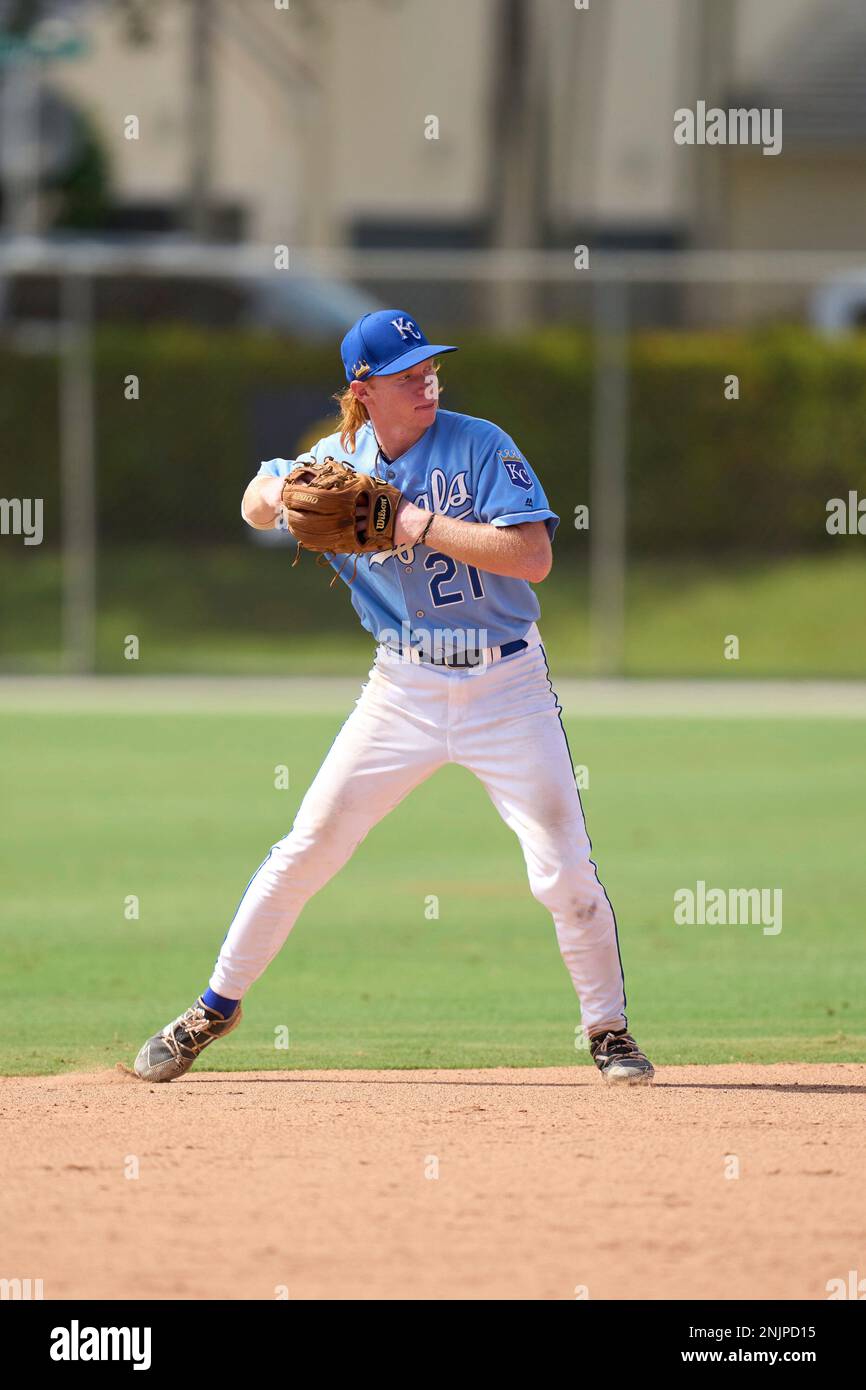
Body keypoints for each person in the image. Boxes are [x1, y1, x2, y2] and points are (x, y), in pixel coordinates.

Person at [133, 309, 654, 1087]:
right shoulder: (338, 457)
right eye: (408, 373)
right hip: (402, 688)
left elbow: (534, 556)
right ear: (364, 389)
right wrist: (276, 491)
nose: (427, 381)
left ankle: (607, 1030)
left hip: (506, 686)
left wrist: (419, 523)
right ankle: (214, 1007)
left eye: (430, 367)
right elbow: (253, 501)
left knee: (562, 872)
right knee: (307, 848)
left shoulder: (479, 445)